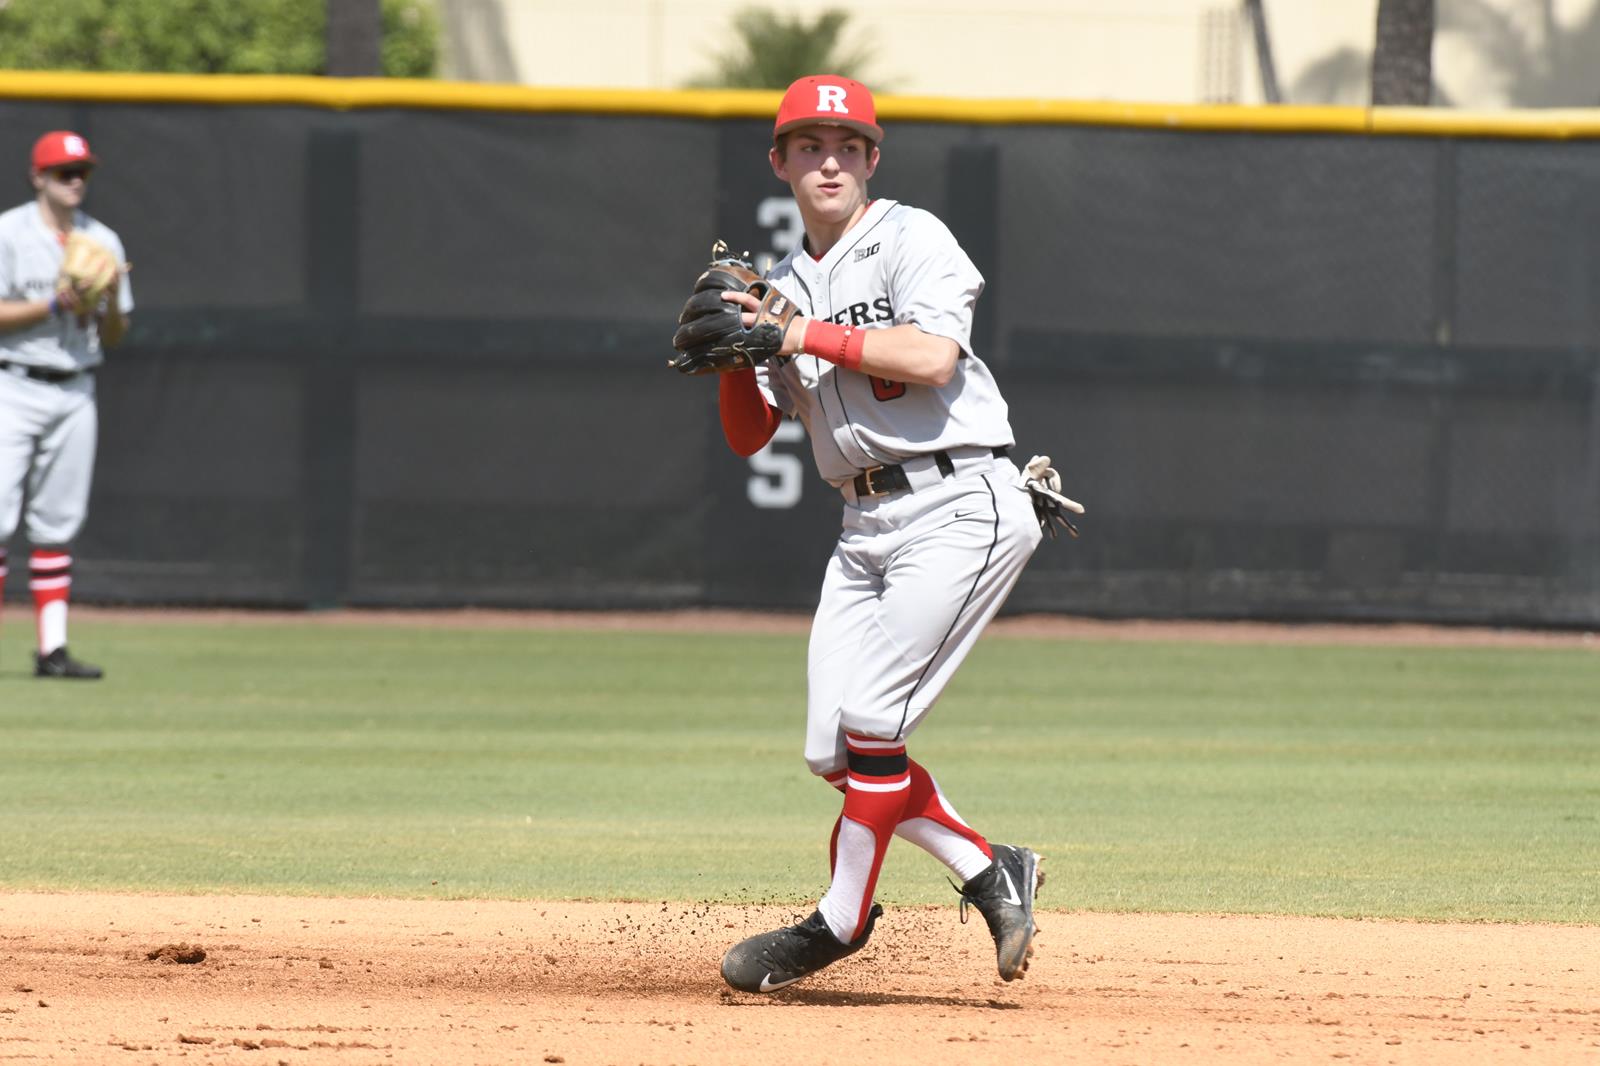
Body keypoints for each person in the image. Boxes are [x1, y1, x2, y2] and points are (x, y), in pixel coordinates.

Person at [711, 75, 1067, 993]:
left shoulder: (912, 239)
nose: (829, 162)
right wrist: (734, 358)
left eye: (848, 147)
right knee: (833, 750)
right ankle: (990, 870)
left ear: (872, 159)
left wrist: (799, 334)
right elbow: (752, 434)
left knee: (873, 721)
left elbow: (932, 357)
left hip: (961, 501)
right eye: (809, 146)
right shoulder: (780, 288)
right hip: (862, 521)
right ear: (780, 162)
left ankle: (838, 921)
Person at [0, 131, 132, 679]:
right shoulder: (8, 233)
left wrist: (107, 303)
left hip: (76, 387)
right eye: (64, 172)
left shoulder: (103, 241)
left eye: (82, 172)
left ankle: (52, 649)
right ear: (38, 177)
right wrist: (55, 304)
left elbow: (117, 334)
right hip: (13, 384)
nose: (75, 181)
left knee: (57, 522)